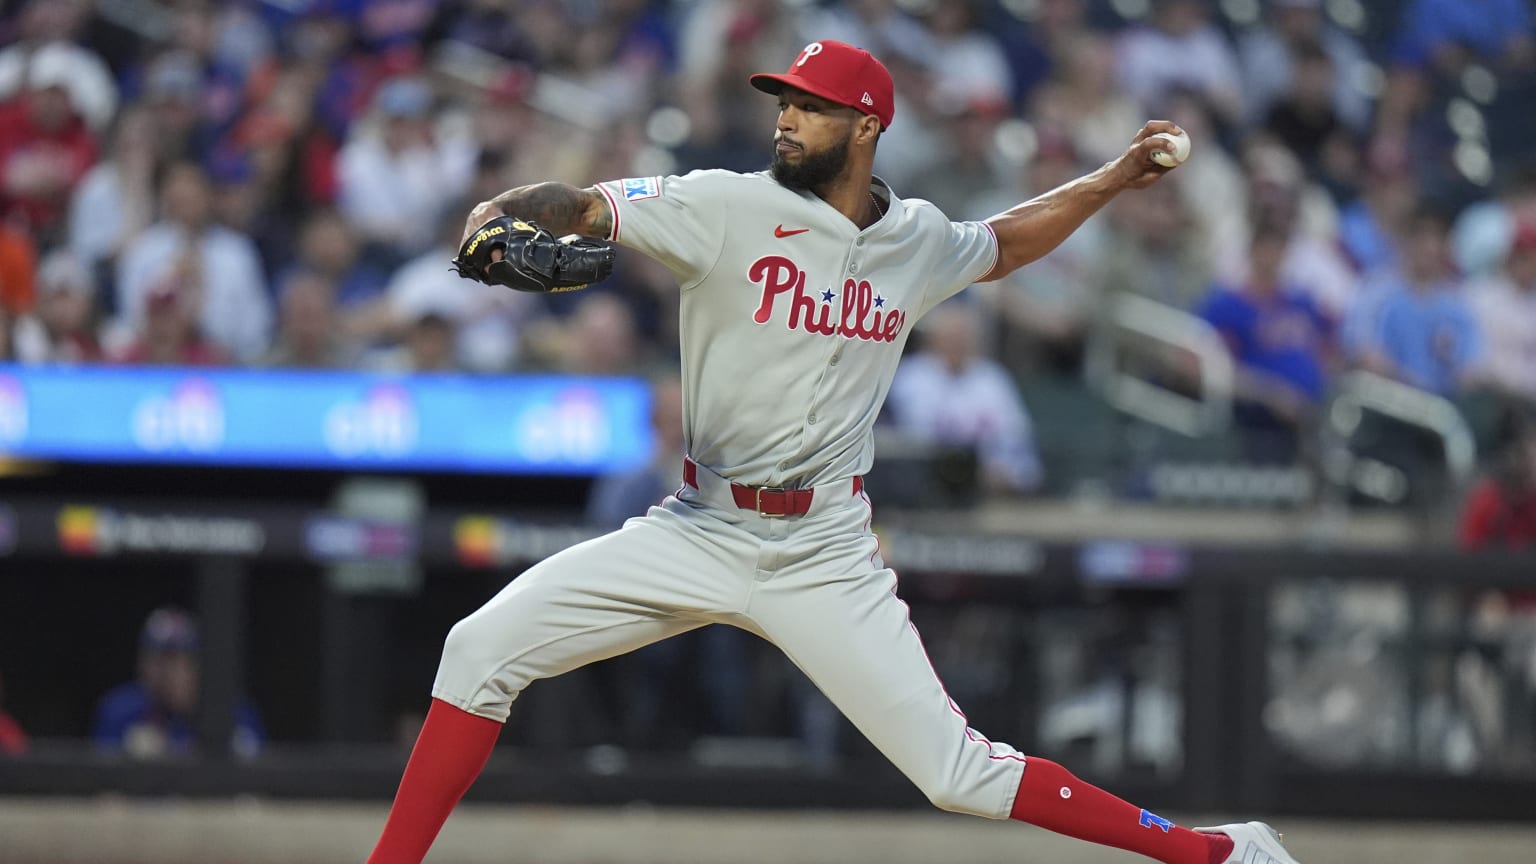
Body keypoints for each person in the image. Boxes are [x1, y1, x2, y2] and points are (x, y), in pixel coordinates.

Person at [367, 40, 1299, 864]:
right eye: (783, 102)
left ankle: (1216, 854)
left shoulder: (915, 240)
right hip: (699, 525)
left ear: (866, 126)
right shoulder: (720, 205)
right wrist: (504, 206)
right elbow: (581, 204)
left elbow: (1006, 244)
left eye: (809, 107)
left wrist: (1113, 176)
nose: (787, 119)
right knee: (478, 648)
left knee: (954, 773)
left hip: (826, 552)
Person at [92, 606, 263, 759]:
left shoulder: (233, 711)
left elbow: (258, 778)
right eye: (154, 659)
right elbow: (98, 783)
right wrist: (130, 759)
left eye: (174, 660)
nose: (163, 672)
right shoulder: (119, 709)